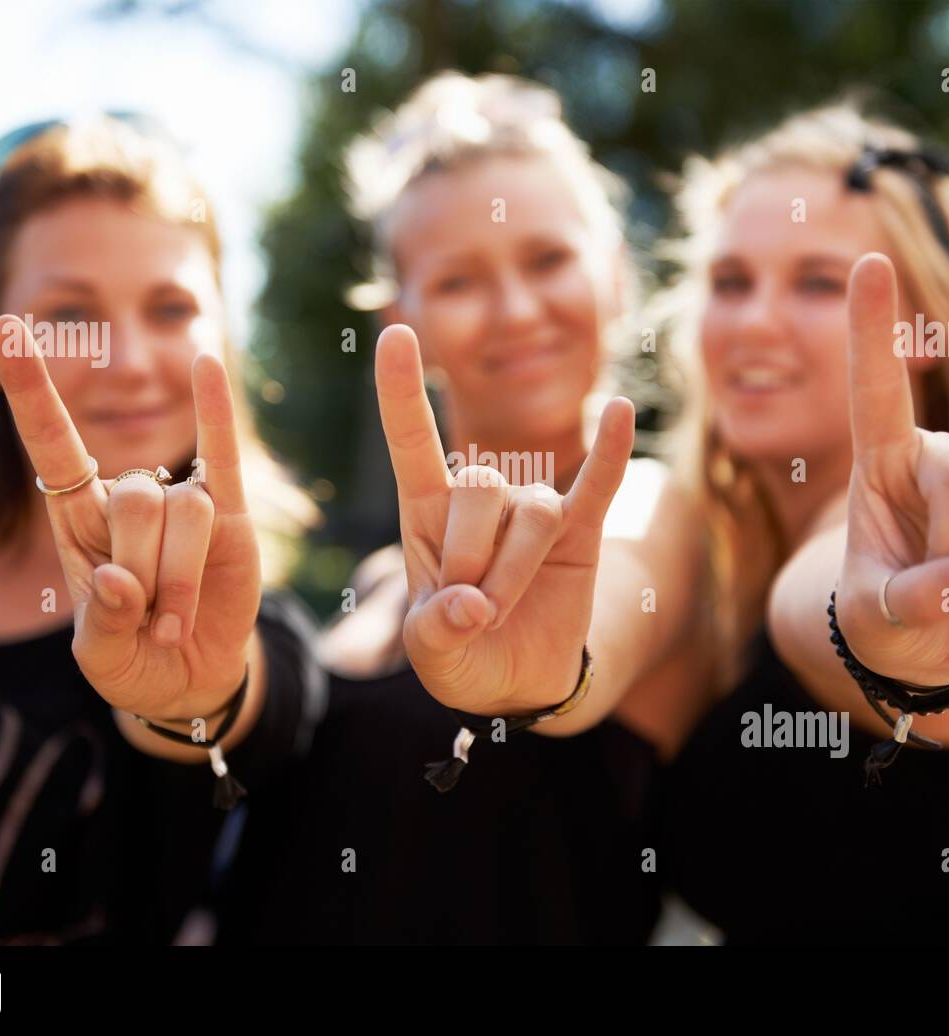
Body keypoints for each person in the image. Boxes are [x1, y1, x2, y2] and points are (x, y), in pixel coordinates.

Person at [375, 100, 949, 944]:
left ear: (925, 332)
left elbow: (830, 603)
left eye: (819, 282)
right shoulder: (725, 571)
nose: (755, 321)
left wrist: (895, 636)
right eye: (732, 282)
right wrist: (544, 674)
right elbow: (621, 612)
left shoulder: (943, 571)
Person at [219, 72, 708, 945]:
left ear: (616, 275)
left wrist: (550, 677)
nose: (516, 310)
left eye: (549, 260)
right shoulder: (379, 576)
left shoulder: (649, 508)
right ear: (399, 317)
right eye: (457, 281)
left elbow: (597, 622)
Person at [0, 116, 320, 945]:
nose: (128, 360)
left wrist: (188, 698)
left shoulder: (256, 629)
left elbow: (236, 709)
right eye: (71, 313)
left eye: (171, 307)